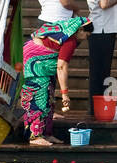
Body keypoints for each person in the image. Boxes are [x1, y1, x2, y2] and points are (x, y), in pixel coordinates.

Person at [19, 17, 92, 145]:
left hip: (41, 63)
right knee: (39, 97)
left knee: (49, 98)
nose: (85, 38)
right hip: (36, 64)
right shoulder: (70, 40)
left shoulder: (65, 33)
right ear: (80, 30)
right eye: (86, 35)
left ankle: (47, 134)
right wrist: (65, 93)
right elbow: (61, 66)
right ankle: (35, 136)